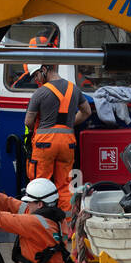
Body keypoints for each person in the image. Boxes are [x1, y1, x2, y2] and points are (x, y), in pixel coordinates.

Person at [24, 65, 91, 211]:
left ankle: (39, 222)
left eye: (36, 75)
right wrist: (67, 124)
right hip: (67, 143)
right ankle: (66, 224)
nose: (36, 79)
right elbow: (87, 112)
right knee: (65, 185)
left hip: (44, 144)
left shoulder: (40, 93)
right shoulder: (74, 89)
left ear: (44, 70)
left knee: (40, 184)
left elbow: (28, 122)